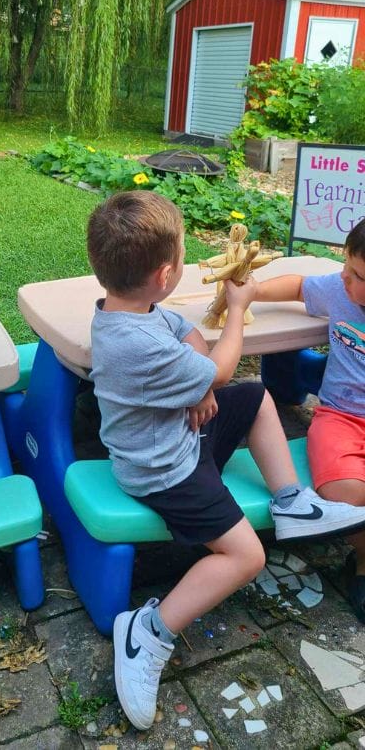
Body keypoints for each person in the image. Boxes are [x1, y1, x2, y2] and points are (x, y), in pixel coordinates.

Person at [86, 191, 365, 732]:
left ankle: (293, 502)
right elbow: (219, 367)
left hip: (179, 435)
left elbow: (183, 335)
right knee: (246, 558)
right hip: (164, 469)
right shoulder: (136, 344)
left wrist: (198, 379)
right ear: (167, 272)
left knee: (255, 395)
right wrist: (234, 316)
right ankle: (148, 631)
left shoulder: (130, 310)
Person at [254, 218, 365, 622]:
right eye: (349, 268)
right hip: (340, 416)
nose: (345, 278)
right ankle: (364, 560)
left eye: (359, 276)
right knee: (344, 493)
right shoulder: (341, 292)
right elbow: (300, 285)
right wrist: (252, 292)